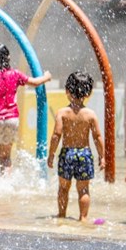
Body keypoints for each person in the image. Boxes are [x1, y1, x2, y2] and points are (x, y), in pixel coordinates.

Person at [0, 43, 51, 175]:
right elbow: (34, 82)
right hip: (12, 119)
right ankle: (5, 182)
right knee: (5, 157)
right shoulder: (15, 74)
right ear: (7, 57)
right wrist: (46, 77)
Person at [48, 72, 104, 222]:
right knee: (83, 189)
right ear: (88, 93)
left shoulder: (62, 113)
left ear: (67, 91)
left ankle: (61, 215)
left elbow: (56, 135)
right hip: (84, 154)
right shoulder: (90, 115)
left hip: (67, 154)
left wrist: (52, 154)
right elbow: (97, 137)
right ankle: (83, 218)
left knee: (63, 188)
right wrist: (102, 156)